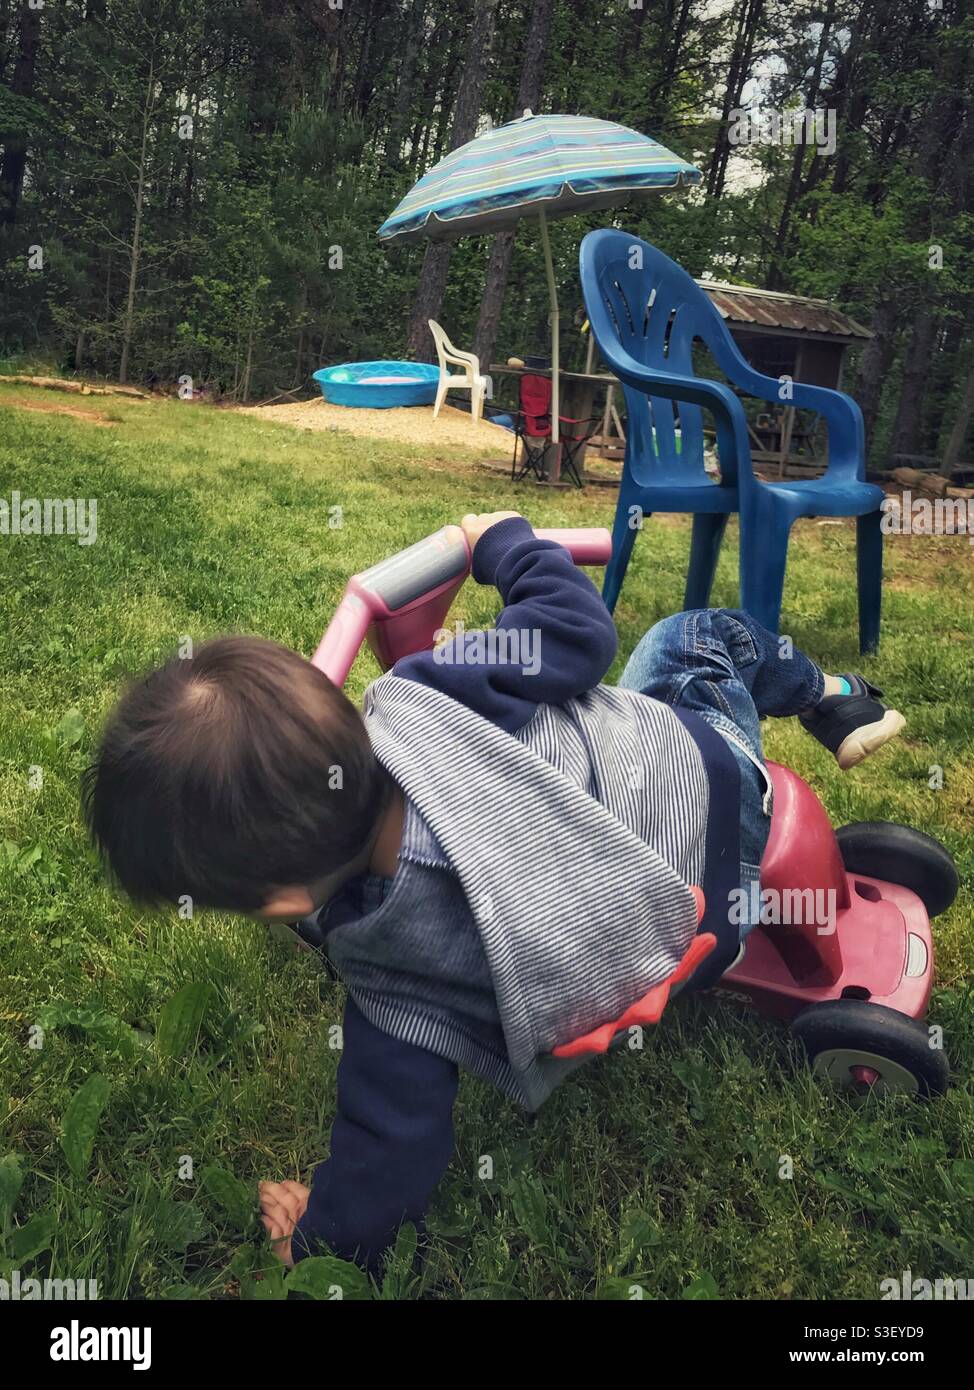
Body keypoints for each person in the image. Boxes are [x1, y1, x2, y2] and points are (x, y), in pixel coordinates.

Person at [83, 511, 904, 1274]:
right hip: (718, 787)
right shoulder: (427, 699)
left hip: (682, 939)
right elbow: (576, 632)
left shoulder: (393, 992)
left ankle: (829, 705)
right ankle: (833, 696)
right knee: (693, 637)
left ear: (279, 904)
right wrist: (502, 540)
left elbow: (389, 1151)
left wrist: (321, 1236)